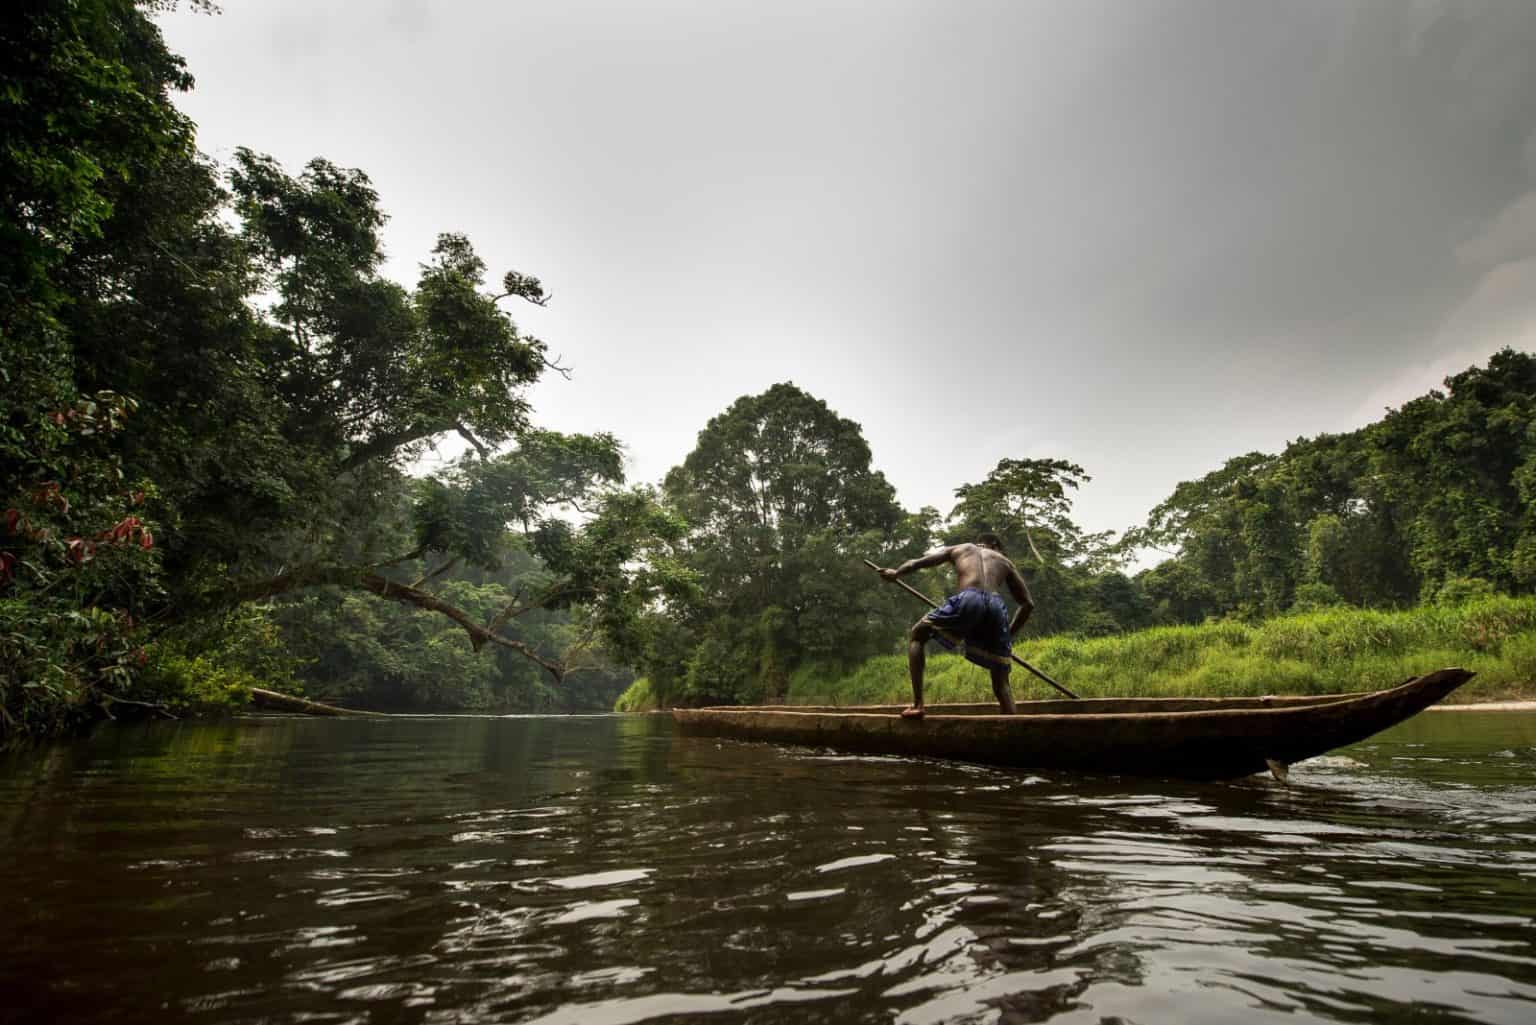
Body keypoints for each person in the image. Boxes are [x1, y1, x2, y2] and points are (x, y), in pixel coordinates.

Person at [879, 533, 1033, 719]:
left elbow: (916, 563)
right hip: (995, 606)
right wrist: (1008, 634)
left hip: (970, 598)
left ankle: (918, 705)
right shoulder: (1005, 561)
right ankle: (1012, 726)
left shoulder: (962, 548)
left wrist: (896, 573)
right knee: (1001, 679)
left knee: (918, 635)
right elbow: (1027, 604)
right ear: (994, 546)